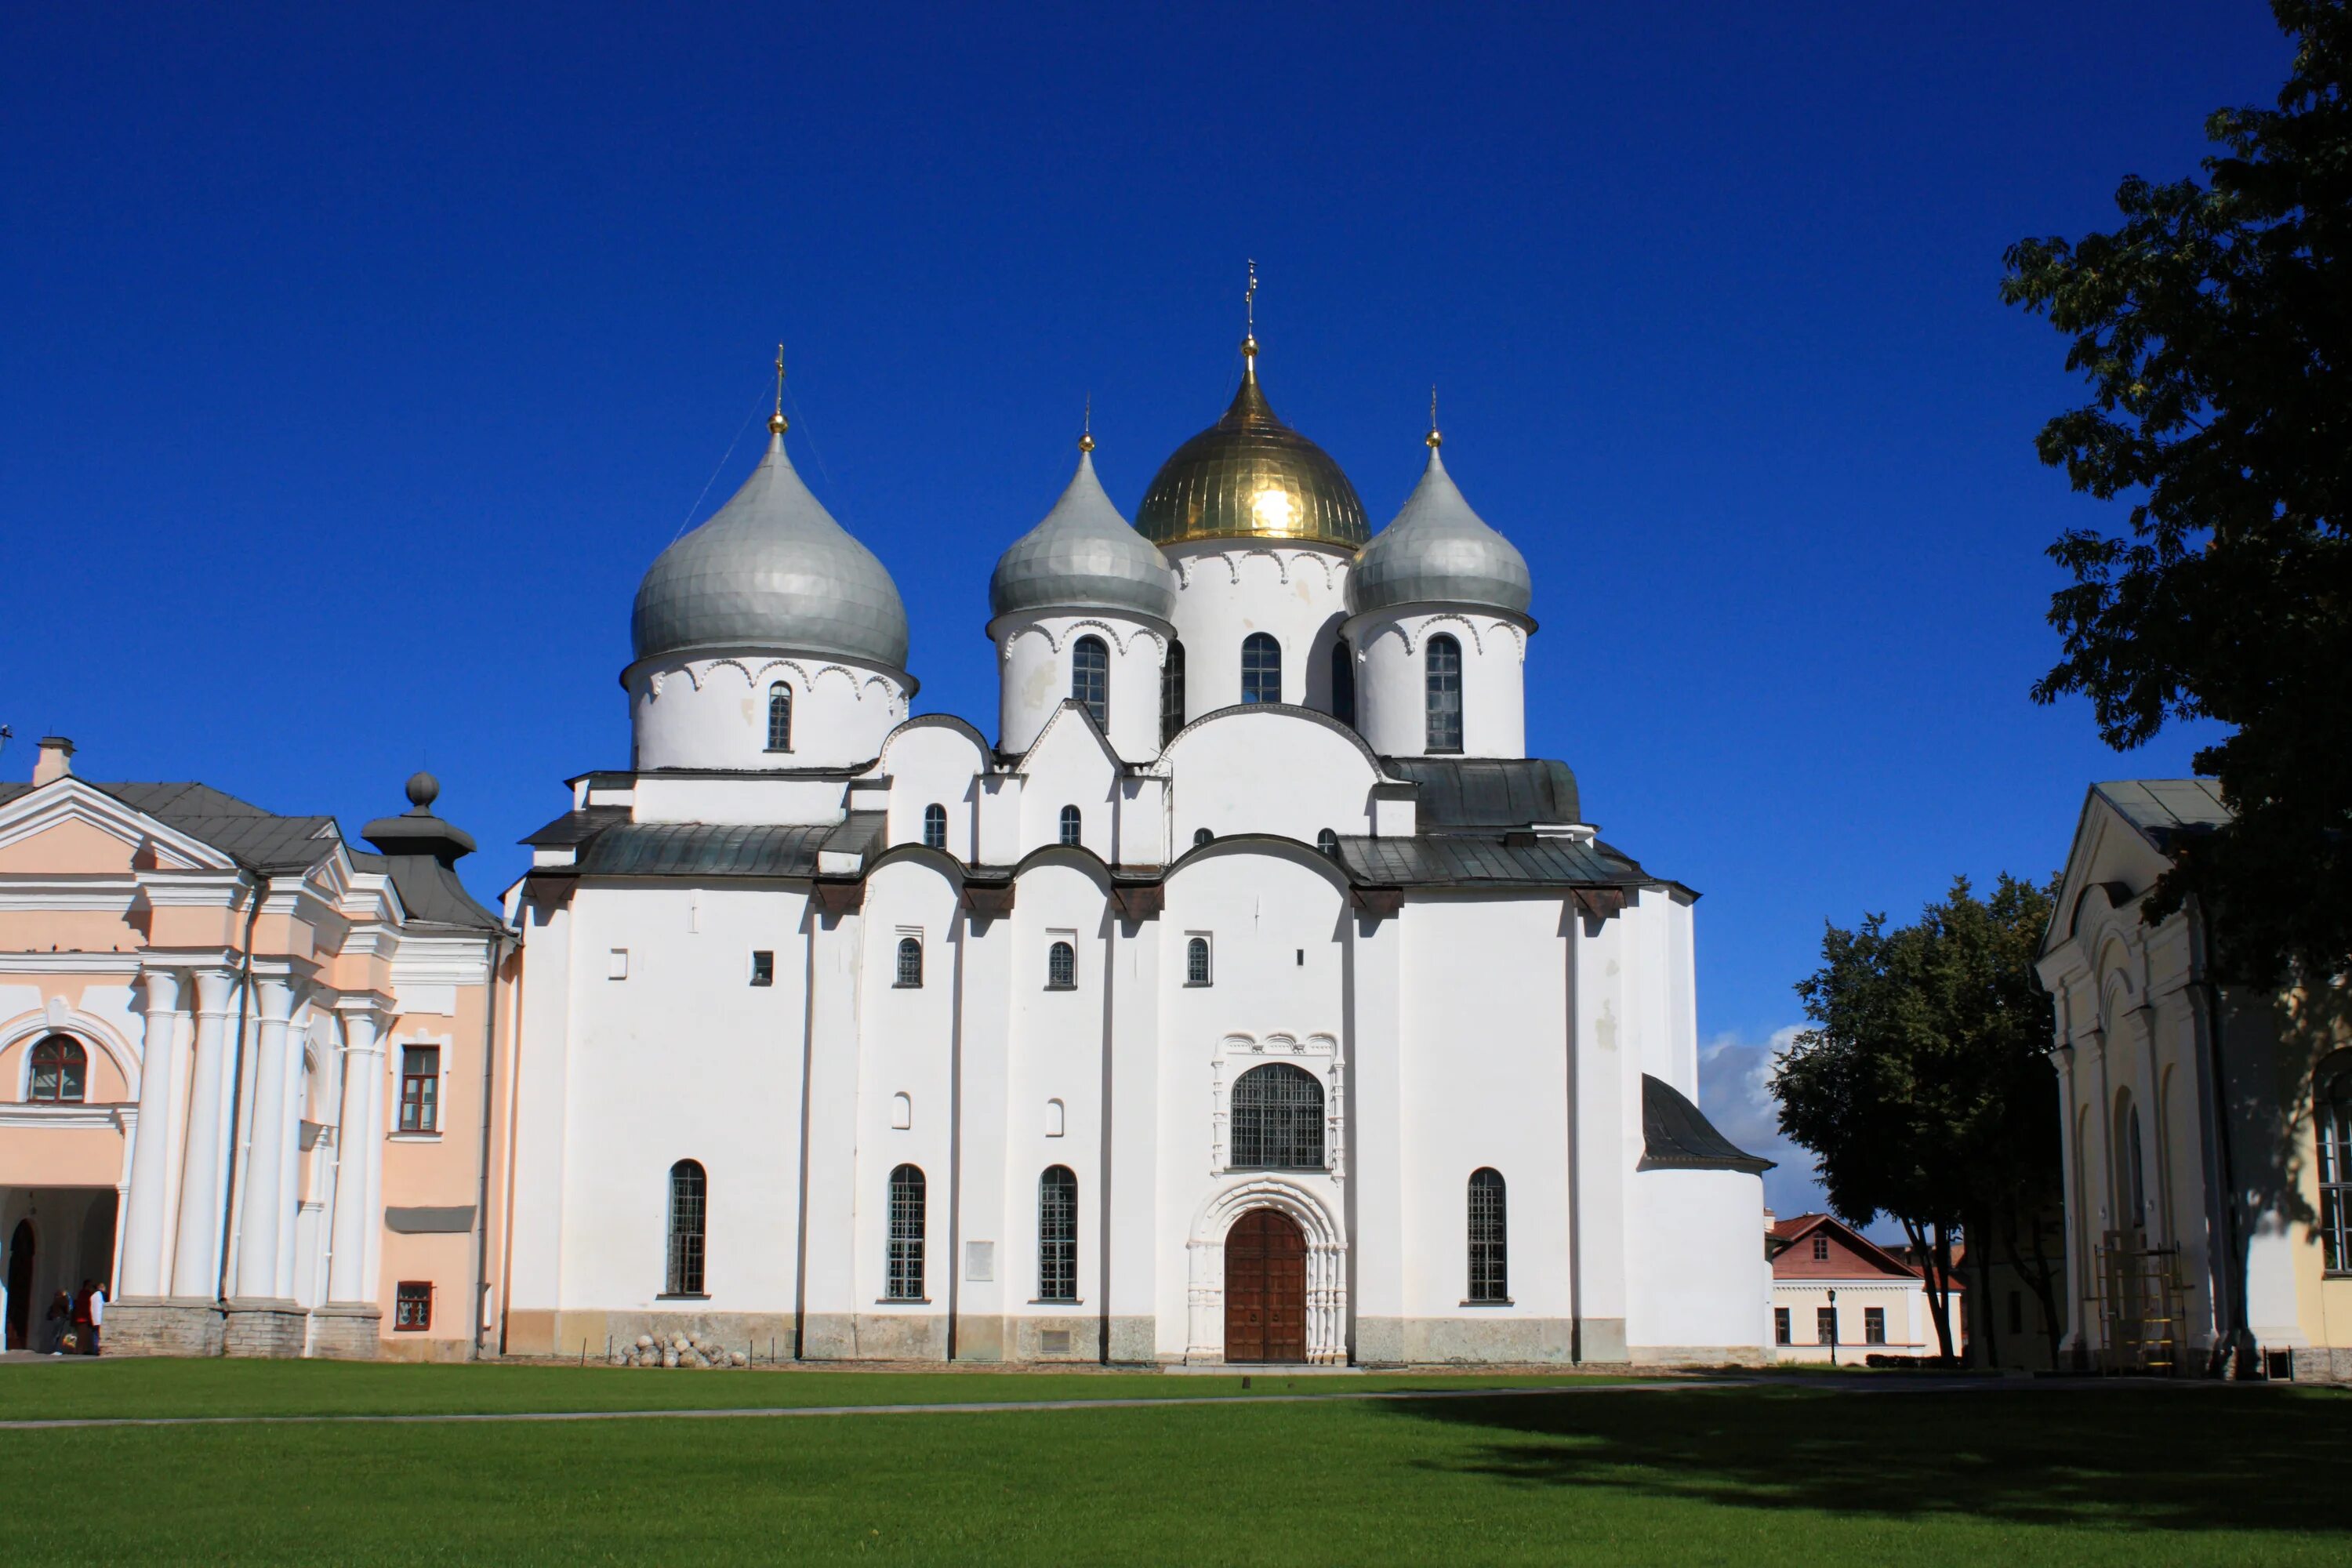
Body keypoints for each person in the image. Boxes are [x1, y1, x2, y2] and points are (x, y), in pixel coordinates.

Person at [44, 1289, 71, 1355]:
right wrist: (65, 1297)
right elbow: (65, 1304)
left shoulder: (57, 1300)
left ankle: (54, 1349)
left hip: (59, 1318)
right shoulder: (59, 1300)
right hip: (58, 1319)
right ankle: (53, 1350)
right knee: (56, 1334)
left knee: (57, 1335)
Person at [83, 1279, 105, 1356]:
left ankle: (96, 1349)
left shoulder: (93, 1296)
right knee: (99, 1335)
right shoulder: (100, 1295)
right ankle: (98, 1349)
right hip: (100, 1318)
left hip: (94, 1318)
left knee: (95, 1335)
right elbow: (103, 1305)